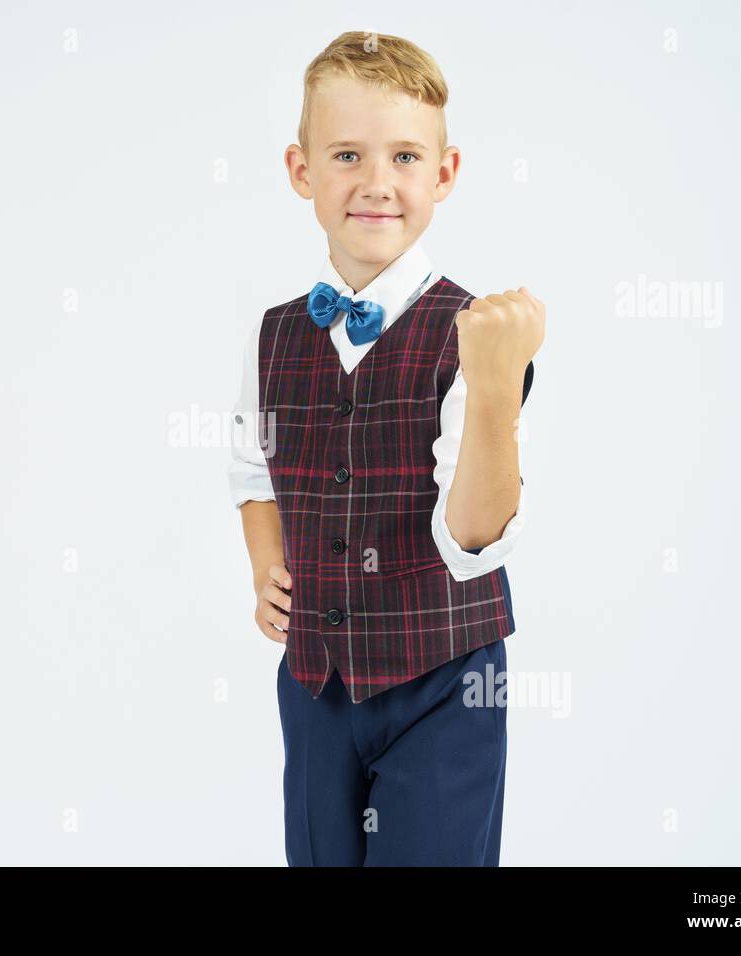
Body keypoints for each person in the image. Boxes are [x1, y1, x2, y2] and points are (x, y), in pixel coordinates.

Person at [228, 31, 545, 866]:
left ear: (443, 174)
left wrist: (493, 388)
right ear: (301, 171)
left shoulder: (472, 333)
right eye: (346, 155)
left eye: (406, 156)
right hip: (316, 685)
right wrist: (266, 566)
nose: (377, 183)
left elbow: (472, 541)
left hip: (444, 681)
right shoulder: (275, 334)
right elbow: (254, 468)